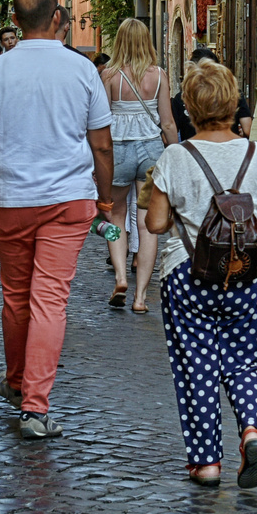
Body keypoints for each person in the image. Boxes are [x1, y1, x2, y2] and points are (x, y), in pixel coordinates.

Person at [0, 0, 114, 440]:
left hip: (10, 200)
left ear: (14, 21)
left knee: (16, 298)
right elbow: (102, 146)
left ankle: (17, 381)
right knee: (50, 301)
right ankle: (35, 408)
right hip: (69, 200)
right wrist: (105, 203)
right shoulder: (82, 70)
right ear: (58, 17)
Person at [145, 60, 257, 489]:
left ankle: (207, 462)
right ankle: (251, 431)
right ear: (233, 103)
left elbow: (155, 224)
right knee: (243, 360)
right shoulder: (254, 153)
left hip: (188, 274)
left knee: (197, 365)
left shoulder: (176, 156)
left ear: (189, 107)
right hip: (248, 273)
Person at [102, 18, 178, 312]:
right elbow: (167, 122)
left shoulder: (109, 75)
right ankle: (141, 297)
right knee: (147, 224)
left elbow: (100, 121)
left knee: (115, 217)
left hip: (117, 150)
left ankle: (121, 278)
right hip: (151, 150)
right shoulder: (159, 75)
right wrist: (176, 152)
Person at [171, 47, 254, 140]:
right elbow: (247, 129)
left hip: (192, 146)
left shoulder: (181, 98)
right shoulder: (233, 93)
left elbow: (170, 130)